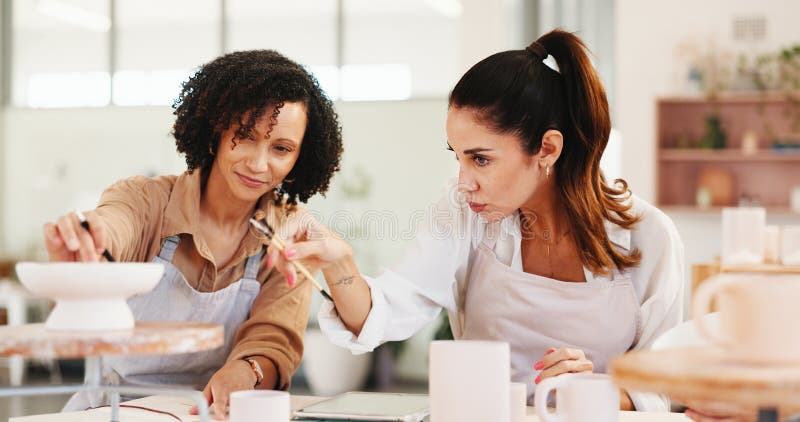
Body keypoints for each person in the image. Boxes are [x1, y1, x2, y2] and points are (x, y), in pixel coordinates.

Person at [268, 29, 684, 411]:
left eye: (481, 159)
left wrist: (596, 388)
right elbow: (388, 310)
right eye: (458, 156)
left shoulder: (648, 236)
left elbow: (667, 384)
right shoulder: (463, 211)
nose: (464, 181)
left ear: (547, 149)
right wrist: (339, 263)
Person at [43, 49, 343, 418]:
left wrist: (247, 371)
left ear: (300, 157)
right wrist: (90, 238)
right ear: (217, 129)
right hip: (114, 408)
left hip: (211, 412)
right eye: (245, 136)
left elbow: (275, 337)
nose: (258, 163)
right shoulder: (147, 200)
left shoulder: (290, 233)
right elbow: (115, 223)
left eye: (280, 148)